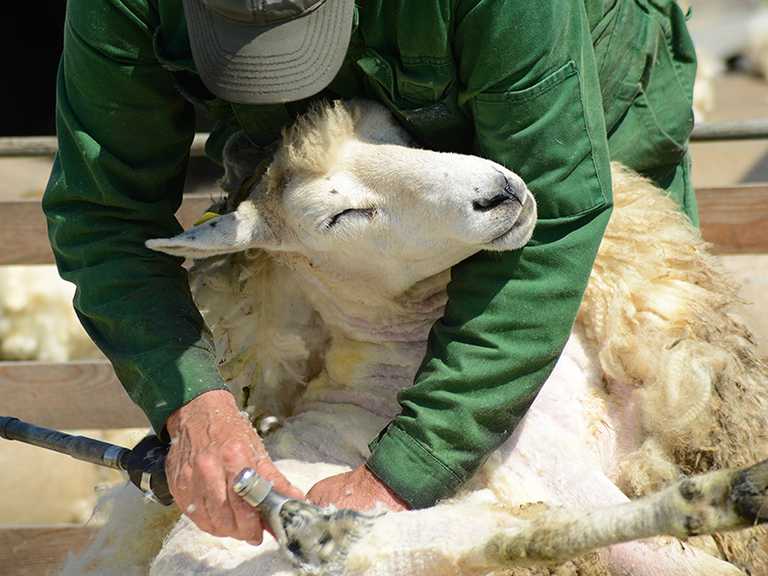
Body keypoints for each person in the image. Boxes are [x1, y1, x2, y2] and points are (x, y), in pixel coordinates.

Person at [44, 0, 698, 546]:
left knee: (644, 426)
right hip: (340, 236)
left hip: (572, 128)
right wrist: (193, 403)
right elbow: (104, 211)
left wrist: (406, 469)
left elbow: (555, 206)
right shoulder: (125, 6)